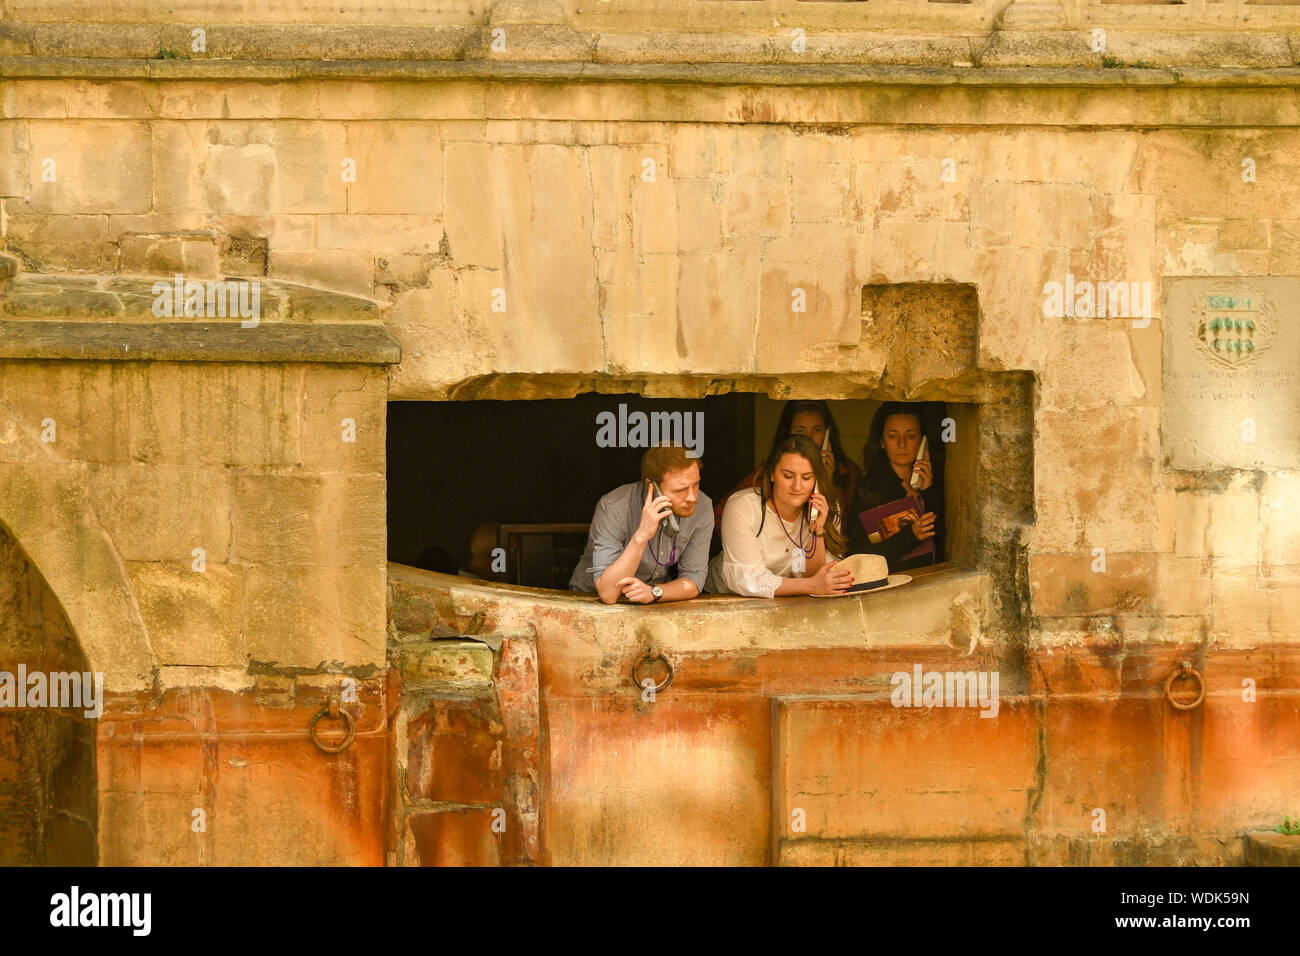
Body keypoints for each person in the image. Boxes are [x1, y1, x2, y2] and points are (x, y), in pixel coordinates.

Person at [706, 434, 855, 597]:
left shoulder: (825, 509)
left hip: (788, 600)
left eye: (806, 477)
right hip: (722, 597)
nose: (797, 486)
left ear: (817, 481)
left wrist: (817, 531)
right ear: (771, 474)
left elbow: (816, 577)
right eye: (788, 476)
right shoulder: (743, 506)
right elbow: (749, 580)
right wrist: (810, 585)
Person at [569, 444, 713, 604]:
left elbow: (694, 578)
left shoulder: (703, 508)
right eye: (680, 490)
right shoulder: (614, 507)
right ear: (652, 486)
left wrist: (655, 592)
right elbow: (608, 594)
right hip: (590, 598)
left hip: (648, 598)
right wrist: (642, 536)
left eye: (696, 484)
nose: (692, 497)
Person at [714, 400, 860, 534]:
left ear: (828, 432)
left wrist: (827, 483)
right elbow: (720, 517)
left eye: (817, 430)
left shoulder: (847, 471)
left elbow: (845, 530)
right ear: (788, 433)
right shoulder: (773, 469)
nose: (809, 438)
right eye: (800, 431)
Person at [846, 402, 943, 572]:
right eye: (893, 436)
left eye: (911, 436)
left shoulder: (934, 483)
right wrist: (911, 535)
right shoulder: (869, 490)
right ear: (882, 442)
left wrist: (929, 491)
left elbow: (946, 539)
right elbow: (859, 555)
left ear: (922, 441)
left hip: (935, 578)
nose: (902, 443)